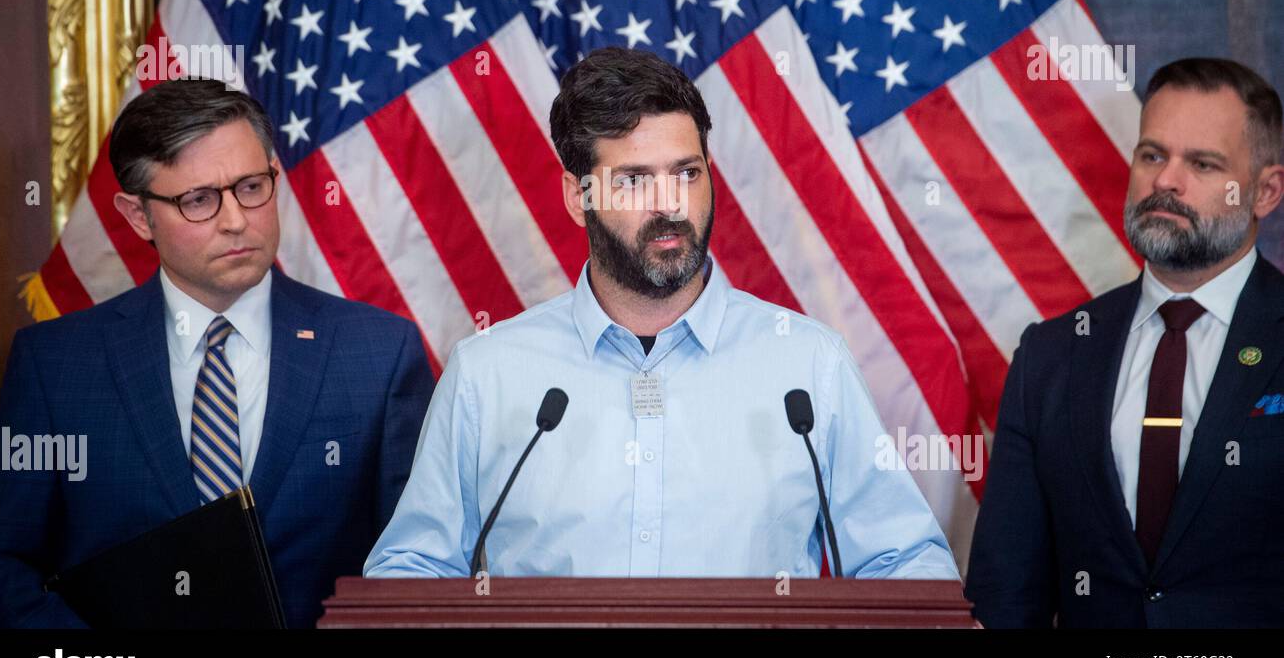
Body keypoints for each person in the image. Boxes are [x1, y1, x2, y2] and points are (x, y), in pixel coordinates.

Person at [365, 47, 958, 579]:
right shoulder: (485, 375)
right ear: (580, 197)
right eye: (633, 180)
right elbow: (413, 567)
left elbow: (903, 558)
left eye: (686, 173)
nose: (670, 203)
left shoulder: (809, 365)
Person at [0, 79, 434, 628]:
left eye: (251, 187)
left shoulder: (379, 353)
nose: (236, 219)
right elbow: (1, 561)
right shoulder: (55, 365)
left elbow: (419, 563)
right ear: (138, 216)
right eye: (198, 200)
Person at [966, 57, 1284, 627]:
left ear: (1264, 192)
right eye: (1153, 155)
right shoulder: (1050, 357)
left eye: (1203, 164)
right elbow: (1007, 593)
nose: (1165, 180)